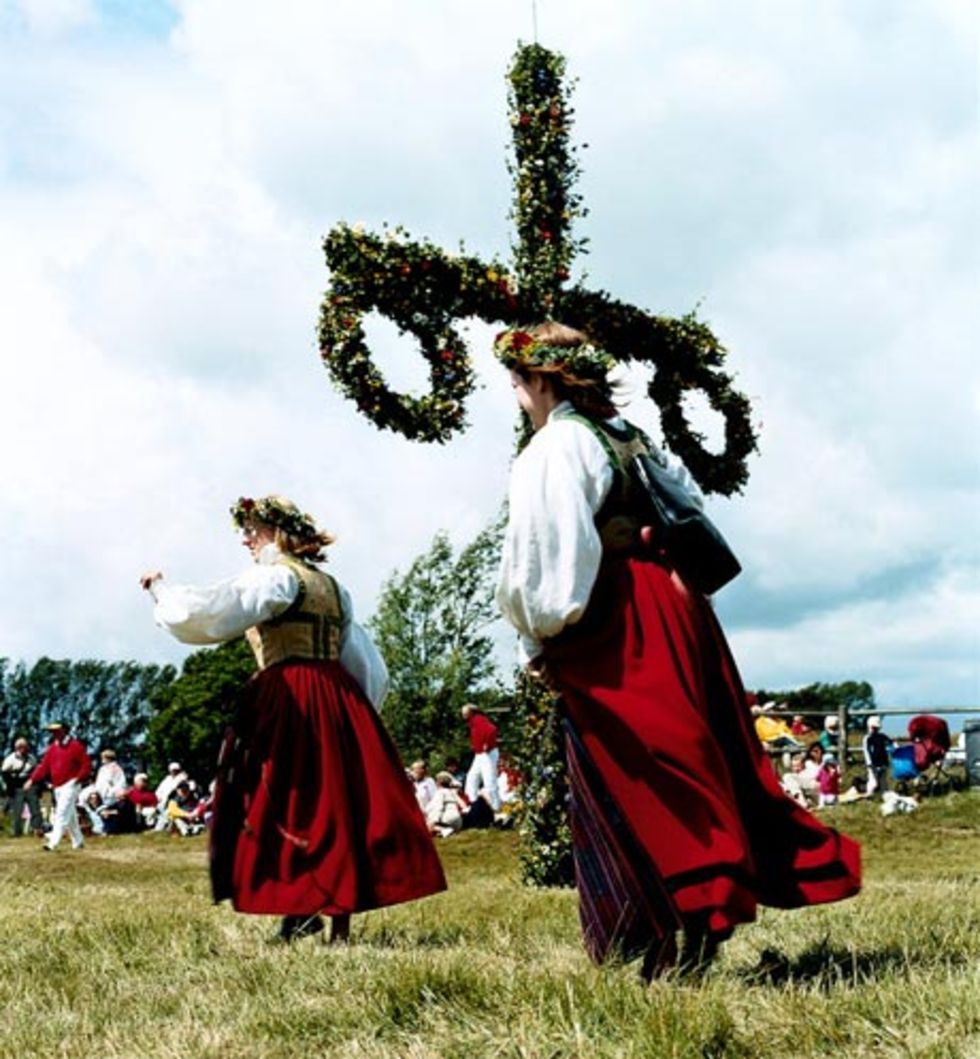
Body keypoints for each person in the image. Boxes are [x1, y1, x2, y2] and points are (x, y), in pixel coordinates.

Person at [493, 322, 861, 976]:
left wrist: (539, 637)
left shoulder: (557, 446)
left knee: (641, 764)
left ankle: (681, 916)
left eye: (519, 381)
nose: (517, 394)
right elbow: (678, 514)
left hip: (615, 618)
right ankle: (669, 926)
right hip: (674, 602)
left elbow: (546, 554)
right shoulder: (630, 441)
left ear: (544, 379)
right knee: (692, 750)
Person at [141, 494, 446, 943]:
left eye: (253, 529)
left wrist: (161, 592)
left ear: (277, 533)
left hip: (288, 698)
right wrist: (360, 714)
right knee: (337, 803)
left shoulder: (275, 579)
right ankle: (327, 916)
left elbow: (211, 614)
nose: (246, 538)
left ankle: (299, 907)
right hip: (338, 696)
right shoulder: (333, 587)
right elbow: (364, 661)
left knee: (280, 798)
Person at [24, 721, 90, 851]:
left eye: (57, 730)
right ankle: (78, 841)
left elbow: (86, 764)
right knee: (69, 814)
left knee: (61, 812)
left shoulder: (75, 746)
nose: (54, 733)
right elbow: (44, 767)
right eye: (52, 731)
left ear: (64, 730)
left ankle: (53, 843)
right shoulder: (52, 748)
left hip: (71, 783)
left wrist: (78, 778)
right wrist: (32, 780)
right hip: (57, 785)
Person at [2, 737, 45, 836]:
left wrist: (37, 786)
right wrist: (10, 789)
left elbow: (36, 771)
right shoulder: (10, 759)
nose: (24, 749)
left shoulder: (31, 758)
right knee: (17, 811)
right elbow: (5, 774)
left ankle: (37, 829)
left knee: (35, 808)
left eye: (25, 747)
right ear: (17, 748)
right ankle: (17, 832)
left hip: (30, 784)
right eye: (22, 747)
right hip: (16, 786)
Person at [461, 704, 501, 812]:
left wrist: (487, 743)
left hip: (487, 753)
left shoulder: (479, 720)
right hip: (479, 754)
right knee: (472, 777)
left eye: (465, 712)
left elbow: (492, 729)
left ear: (471, 712)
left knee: (489, 779)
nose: (462, 714)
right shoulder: (473, 722)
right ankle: (472, 802)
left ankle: (495, 806)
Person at [425, 772, 467, 837]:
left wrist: (434, 821)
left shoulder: (440, 793)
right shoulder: (453, 792)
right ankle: (445, 831)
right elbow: (463, 805)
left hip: (447, 820)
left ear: (438, 783)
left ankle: (445, 830)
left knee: (427, 827)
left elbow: (438, 807)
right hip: (458, 821)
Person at [862, 716, 893, 797]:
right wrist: (869, 762)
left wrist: (894, 748)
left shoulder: (882, 737)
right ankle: (869, 795)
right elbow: (866, 751)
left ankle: (885, 795)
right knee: (873, 782)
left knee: (883, 781)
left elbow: (891, 742)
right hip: (873, 764)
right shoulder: (867, 738)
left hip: (883, 762)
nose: (875, 730)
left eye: (876, 728)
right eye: (873, 728)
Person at [153, 762, 187, 831]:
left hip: (174, 801)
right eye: (172, 770)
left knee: (167, 813)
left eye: (176, 770)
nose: (174, 771)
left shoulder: (182, 778)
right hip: (161, 801)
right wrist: (157, 798)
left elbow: (174, 790)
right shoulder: (167, 779)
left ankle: (158, 829)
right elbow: (159, 790)